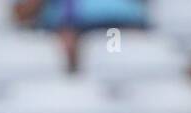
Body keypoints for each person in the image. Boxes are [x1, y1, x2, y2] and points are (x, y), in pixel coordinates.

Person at [11, 0, 149, 73]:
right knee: (67, 42)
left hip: (120, 23)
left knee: (118, 51)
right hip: (71, 27)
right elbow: (22, 14)